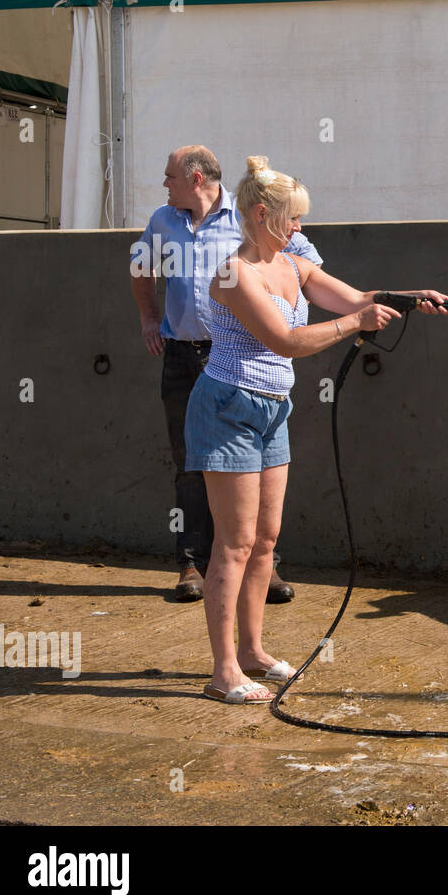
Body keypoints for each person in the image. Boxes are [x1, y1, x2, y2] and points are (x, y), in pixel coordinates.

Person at [188, 155, 448, 703]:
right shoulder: (234, 272)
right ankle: (223, 673)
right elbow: (286, 342)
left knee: (265, 541)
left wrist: (411, 297)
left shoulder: (294, 264)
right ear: (261, 215)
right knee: (233, 544)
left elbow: (358, 298)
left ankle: (252, 652)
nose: (300, 229)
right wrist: (355, 324)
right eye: (293, 219)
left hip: (273, 408)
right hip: (226, 407)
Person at [130, 145, 318, 603]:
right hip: (181, 355)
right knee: (189, 462)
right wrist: (148, 318)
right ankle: (191, 564)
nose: (164, 184)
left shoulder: (250, 217)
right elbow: (139, 268)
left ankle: (264, 567)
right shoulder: (162, 221)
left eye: (170, 176)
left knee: (253, 467)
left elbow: (306, 259)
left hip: (237, 357)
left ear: (196, 179)